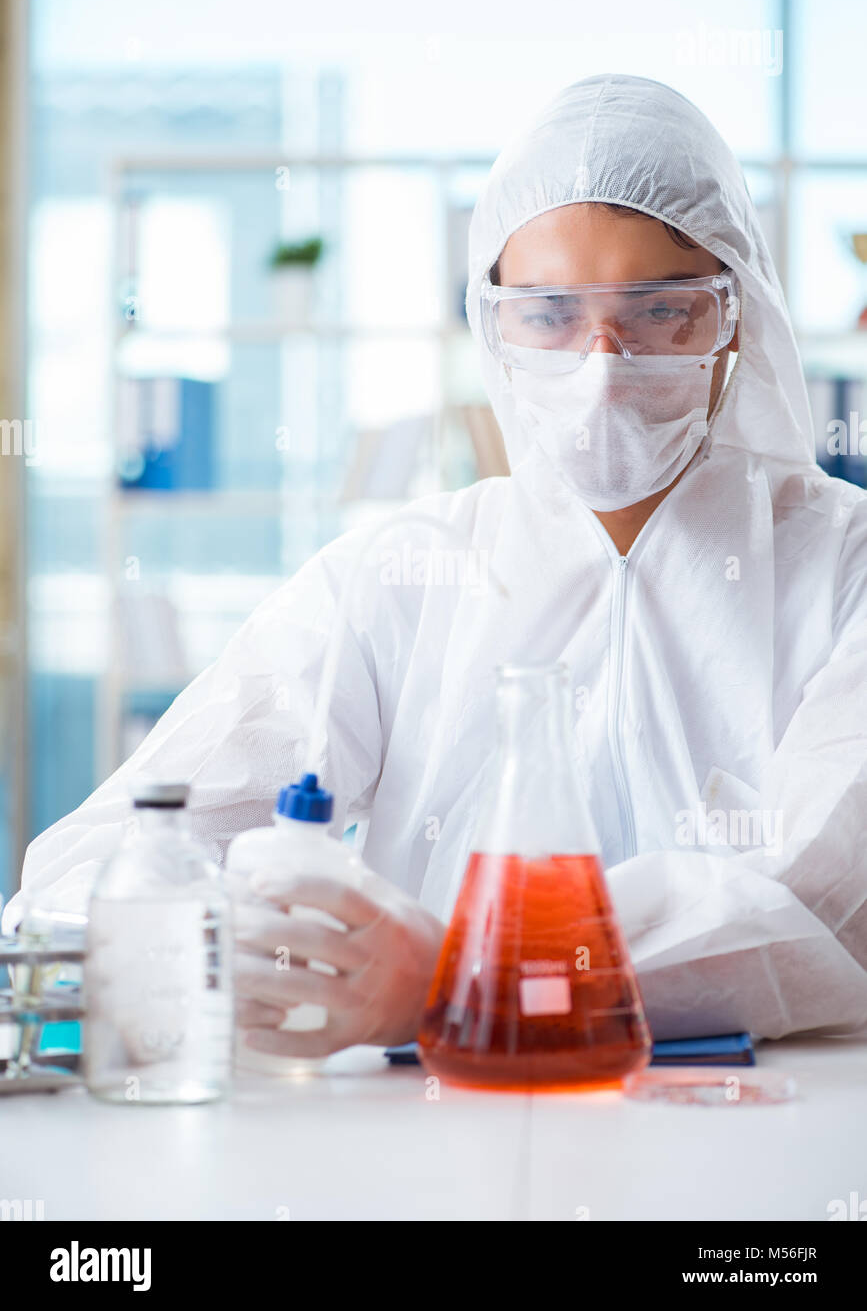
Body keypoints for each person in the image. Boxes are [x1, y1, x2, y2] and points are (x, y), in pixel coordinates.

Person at [6, 73, 867, 1057]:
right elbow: (100, 860)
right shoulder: (402, 578)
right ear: (492, 324)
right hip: (434, 1147)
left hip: (765, 1157)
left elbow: (825, 906)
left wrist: (467, 971)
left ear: (736, 315)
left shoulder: (846, 567)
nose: (602, 363)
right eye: (548, 314)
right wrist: (222, 931)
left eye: (661, 308)